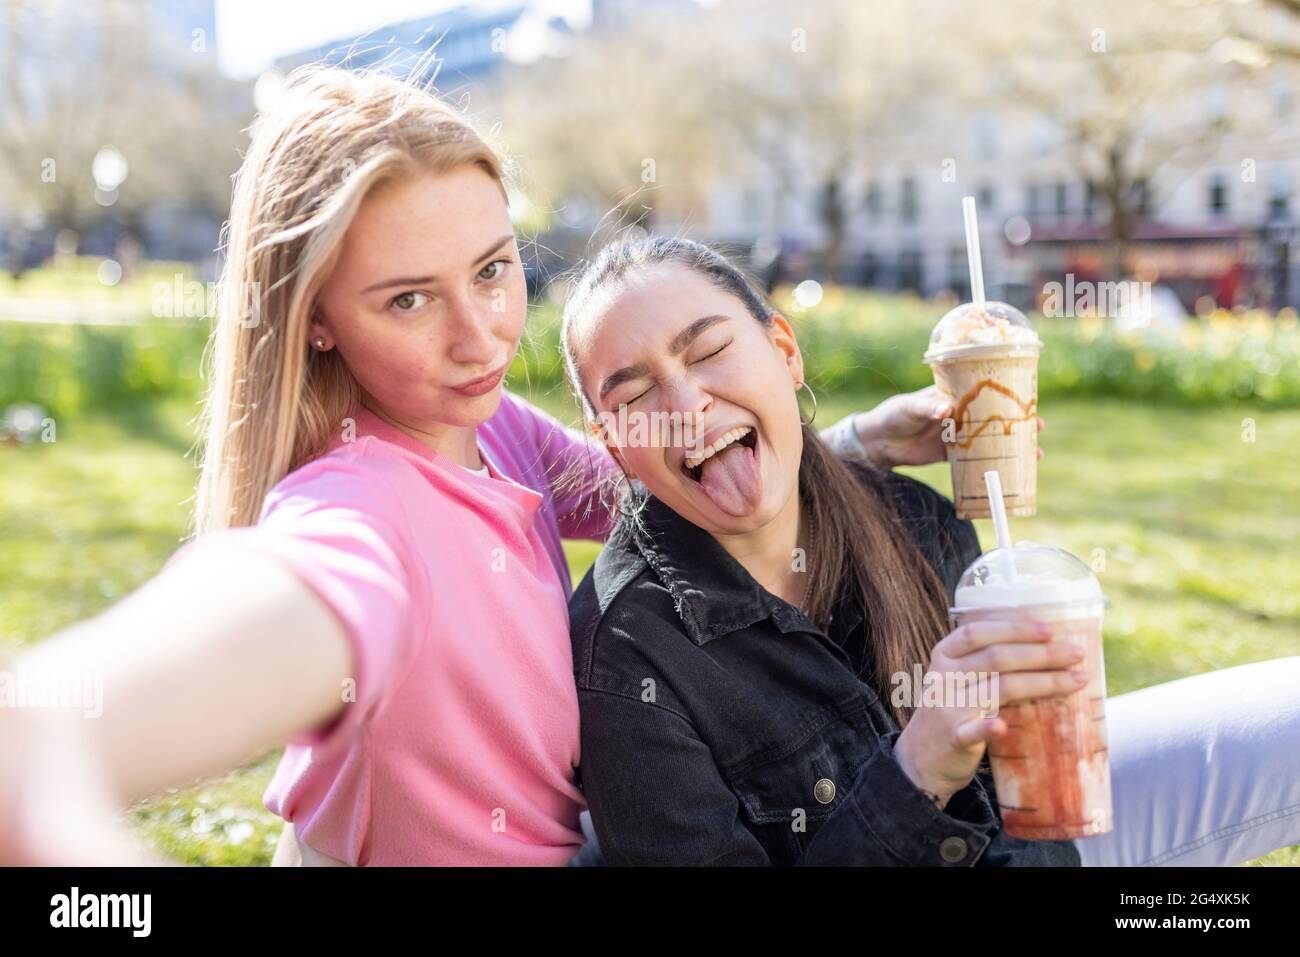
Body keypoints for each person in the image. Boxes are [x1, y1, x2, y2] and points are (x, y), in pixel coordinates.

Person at [0, 66, 963, 867]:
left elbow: (656, 470)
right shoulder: (356, 519)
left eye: (494, 271)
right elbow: (276, 601)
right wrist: (51, 734)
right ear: (317, 322)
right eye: (410, 300)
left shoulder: (491, 425)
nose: (480, 339)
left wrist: (853, 440)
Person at [560, 235, 1300, 866]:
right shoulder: (625, 661)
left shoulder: (916, 521)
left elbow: (1024, 830)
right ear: (614, 445)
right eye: (634, 396)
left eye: (710, 349)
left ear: (784, 350)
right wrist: (916, 775)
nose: (687, 406)